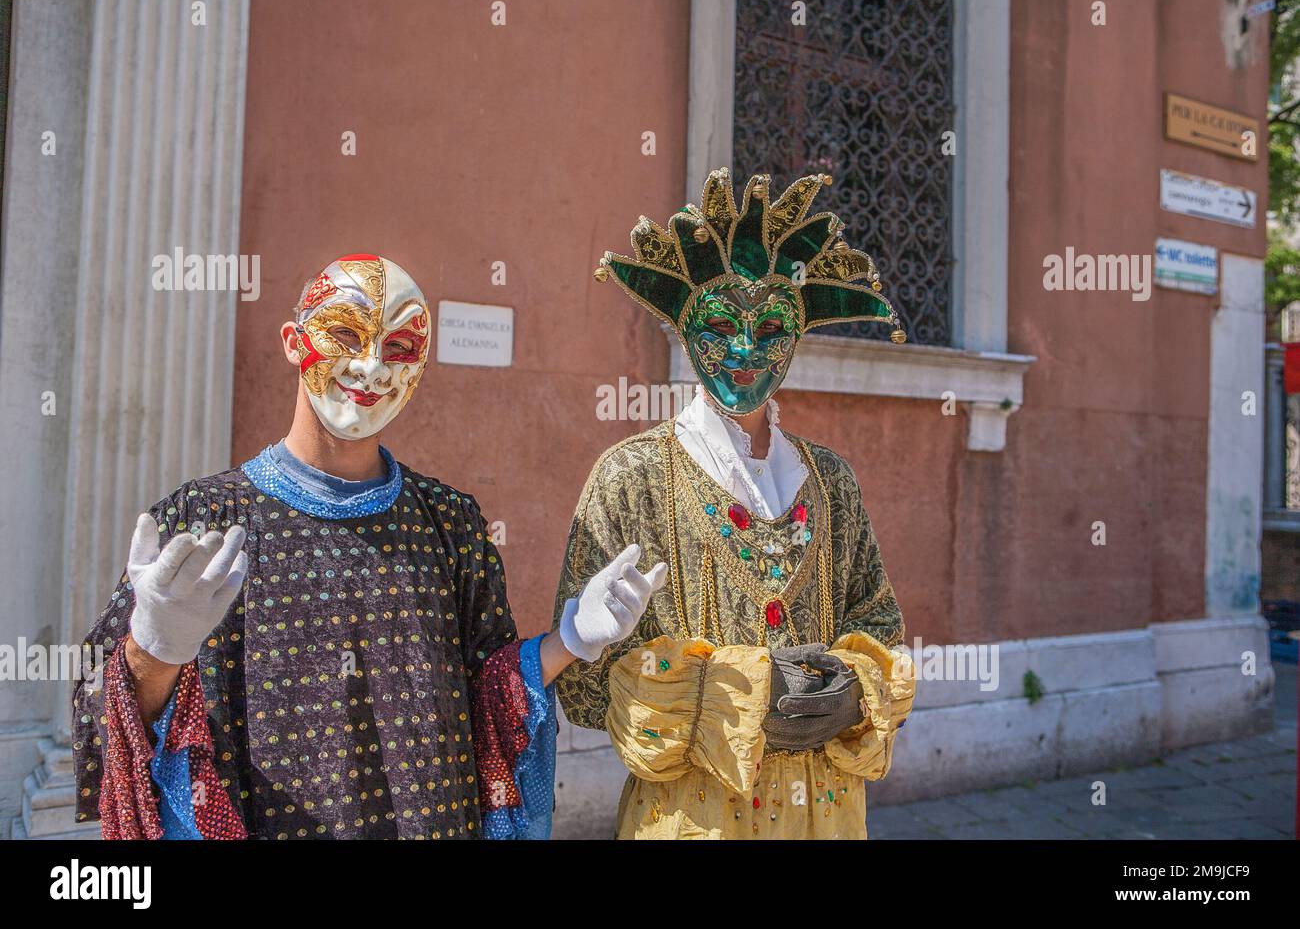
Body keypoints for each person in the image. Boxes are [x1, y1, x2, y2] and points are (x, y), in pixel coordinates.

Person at [73, 253, 664, 839]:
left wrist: (571, 640)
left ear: (420, 371)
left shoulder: (451, 524)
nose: (371, 366)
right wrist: (155, 650)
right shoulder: (201, 520)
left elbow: (488, 700)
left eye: (400, 348)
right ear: (292, 340)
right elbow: (111, 723)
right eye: (345, 335)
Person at [552, 169, 917, 839]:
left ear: (799, 334)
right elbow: (581, 686)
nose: (747, 350)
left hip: (825, 817)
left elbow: (881, 623)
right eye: (722, 324)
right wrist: (738, 694)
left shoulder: (830, 479)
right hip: (694, 817)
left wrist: (855, 690)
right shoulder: (630, 478)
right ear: (686, 327)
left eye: (772, 326)